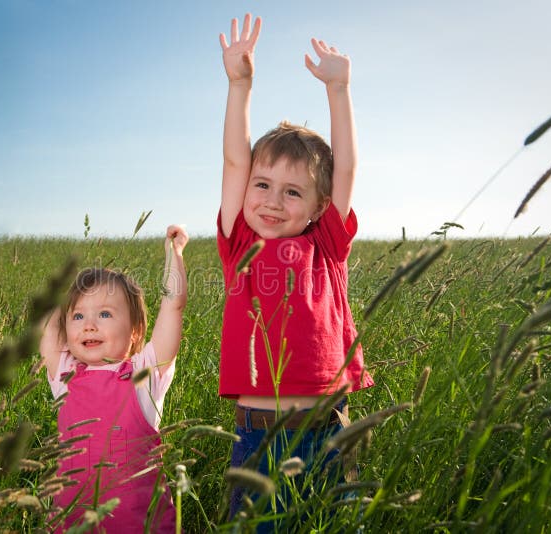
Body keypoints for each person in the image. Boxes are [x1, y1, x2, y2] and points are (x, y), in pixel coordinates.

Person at [217, 13, 375, 523]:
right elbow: (235, 161)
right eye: (262, 186)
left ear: (317, 205)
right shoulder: (239, 241)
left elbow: (346, 167)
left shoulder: (327, 242)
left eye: (292, 192)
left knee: (331, 523)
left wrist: (339, 89)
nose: (272, 201)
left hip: (328, 429)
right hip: (258, 434)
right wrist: (240, 86)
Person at [40, 225, 188, 533]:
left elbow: (173, 306)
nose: (89, 325)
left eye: (105, 314)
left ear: (135, 331)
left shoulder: (143, 374)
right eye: (78, 316)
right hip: (73, 524)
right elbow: (47, 328)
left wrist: (175, 255)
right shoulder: (66, 376)